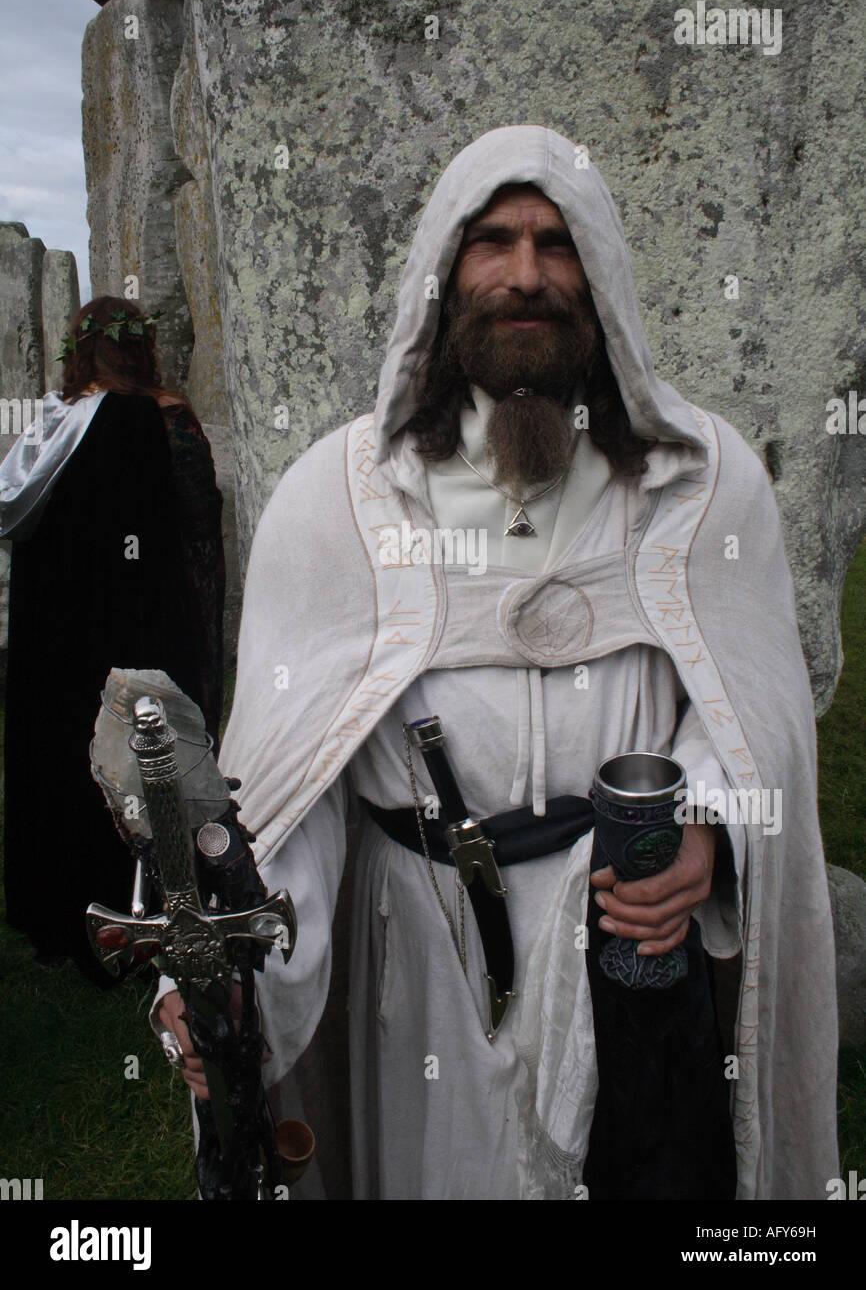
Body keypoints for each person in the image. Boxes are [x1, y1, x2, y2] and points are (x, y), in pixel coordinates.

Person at [157, 126, 838, 1200]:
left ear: (599, 274)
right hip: (415, 967)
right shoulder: (337, 503)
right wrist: (234, 980)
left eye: (554, 244)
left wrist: (705, 821)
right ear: (443, 270)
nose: (525, 275)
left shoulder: (700, 485)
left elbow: (750, 710)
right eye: (492, 243)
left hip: (623, 930)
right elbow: (286, 800)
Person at [1, 296, 225, 984]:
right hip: (143, 639)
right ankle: (158, 917)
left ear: (79, 352)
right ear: (142, 349)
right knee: (140, 767)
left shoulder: (51, 427)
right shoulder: (164, 421)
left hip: (58, 651)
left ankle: (65, 917)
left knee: (69, 763)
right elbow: (199, 534)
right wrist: (205, 648)